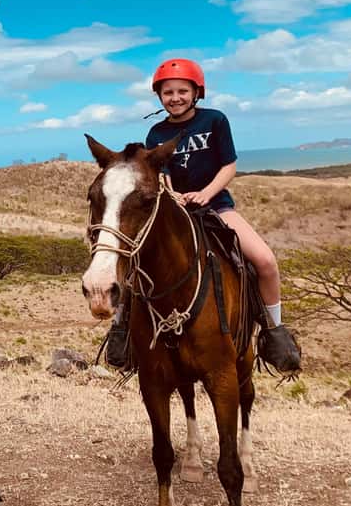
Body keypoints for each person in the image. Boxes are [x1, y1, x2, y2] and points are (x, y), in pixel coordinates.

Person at [105, 57, 301, 374]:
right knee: (131, 265)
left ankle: (274, 332)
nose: (175, 97)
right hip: (173, 212)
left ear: (197, 92)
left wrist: (206, 193)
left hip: (217, 206)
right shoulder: (155, 133)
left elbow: (229, 166)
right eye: (167, 92)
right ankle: (121, 332)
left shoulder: (215, 121)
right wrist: (173, 195)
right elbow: (160, 173)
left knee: (265, 261)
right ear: (159, 96)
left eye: (182, 90)